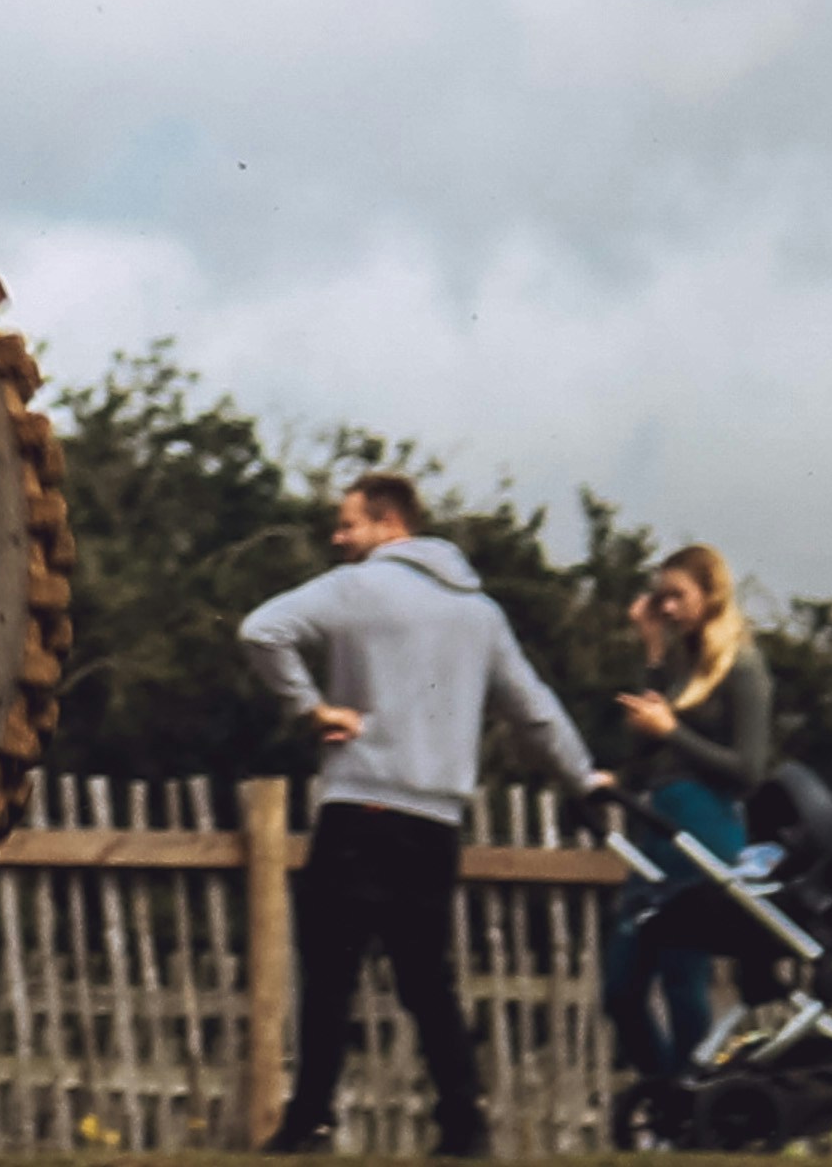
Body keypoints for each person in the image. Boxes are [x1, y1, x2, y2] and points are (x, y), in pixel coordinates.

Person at [238, 474, 602, 1157]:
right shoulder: (480, 613)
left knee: (331, 974)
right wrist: (583, 776)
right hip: (434, 822)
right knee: (426, 980)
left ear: (387, 522)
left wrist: (310, 708)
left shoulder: (358, 588)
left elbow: (262, 630)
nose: (339, 539)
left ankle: (308, 1122)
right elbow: (536, 709)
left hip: (360, 805)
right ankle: (463, 1125)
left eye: (348, 525)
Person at [600, 544, 778, 1091]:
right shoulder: (683, 666)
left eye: (678, 596)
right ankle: (666, 1091)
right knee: (622, 987)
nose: (669, 607)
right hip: (657, 828)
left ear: (711, 594)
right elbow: (651, 741)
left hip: (705, 829)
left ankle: (691, 1105)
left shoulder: (741, 668)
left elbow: (748, 769)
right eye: (662, 597)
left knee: (682, 974)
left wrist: (671, 732)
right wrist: (651, 650)